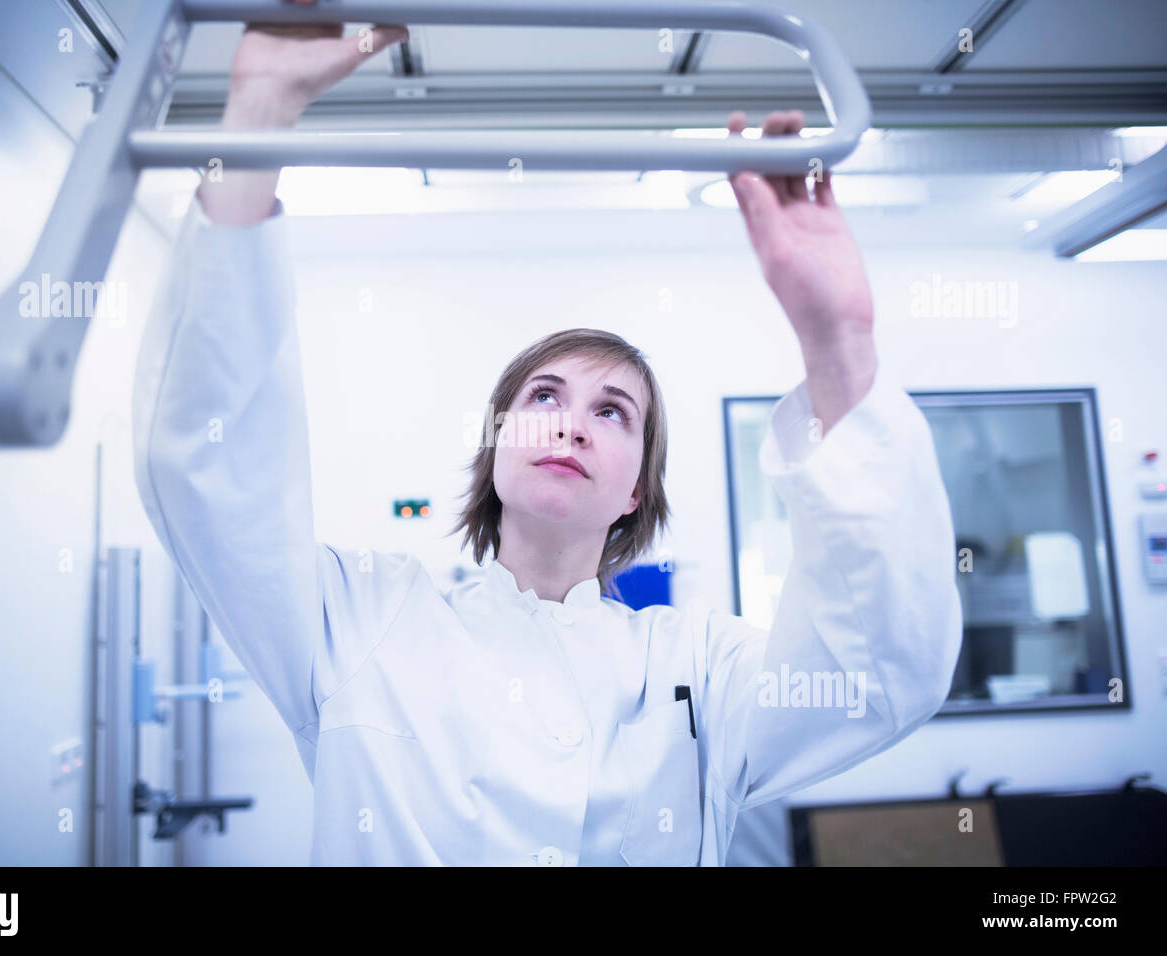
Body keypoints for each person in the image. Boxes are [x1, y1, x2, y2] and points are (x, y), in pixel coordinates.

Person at [131, 0, 962, 866]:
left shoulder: (699, 668)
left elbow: (879, 672)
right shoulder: (357, 618)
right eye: (543, 396)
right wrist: (257, 116)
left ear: (637, 485)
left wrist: (839, 342)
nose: (573, 421)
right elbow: (211, 473)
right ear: (495, 454)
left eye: (614, 412)